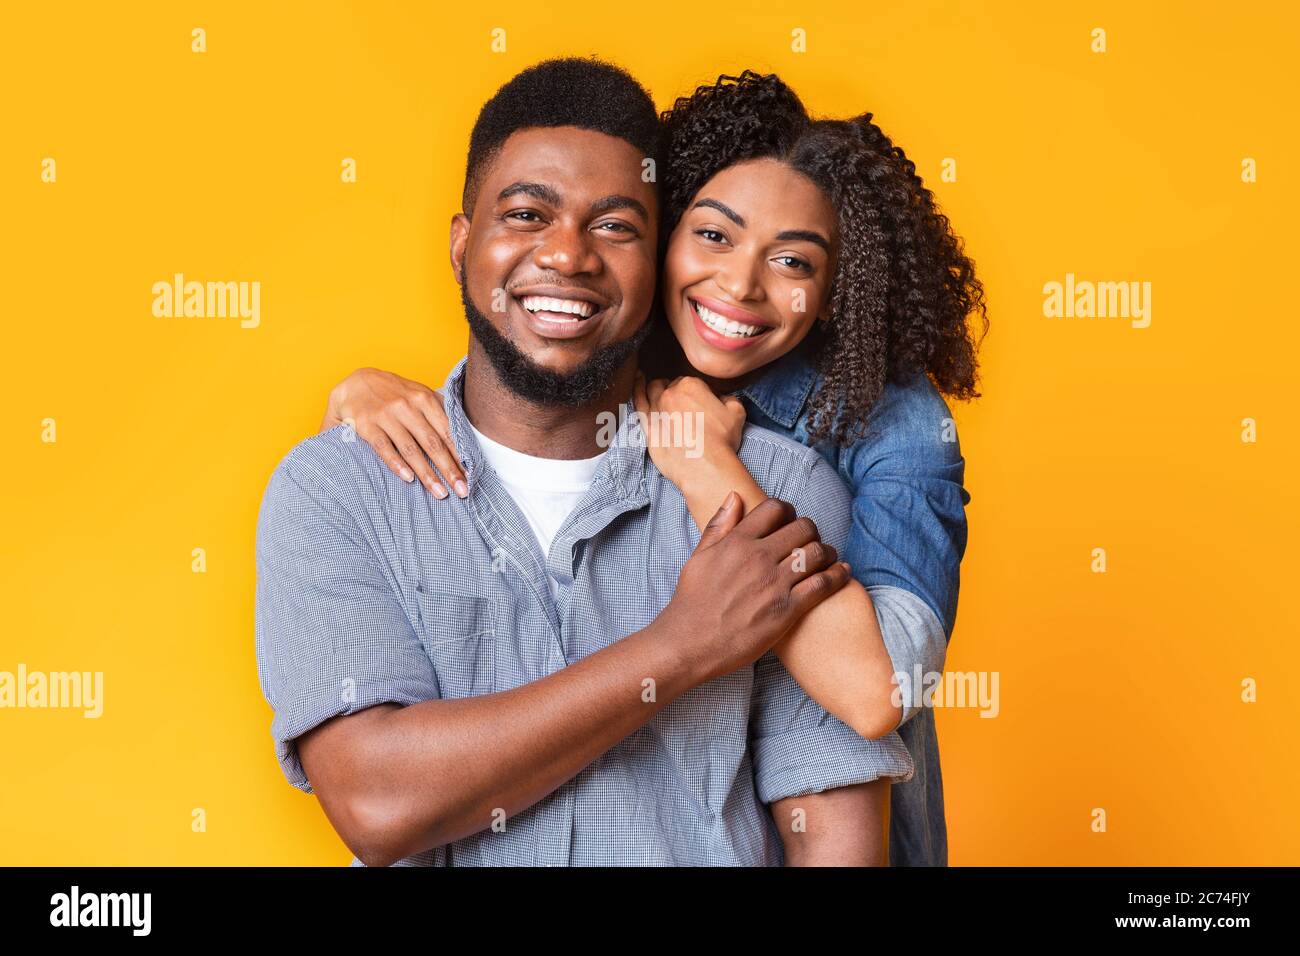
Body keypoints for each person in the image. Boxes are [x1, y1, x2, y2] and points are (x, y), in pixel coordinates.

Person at [255, 57, 914, 867]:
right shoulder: (339, 490)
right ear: (464, 245)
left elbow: (834, 839)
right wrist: (682, 646)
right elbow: (377, 799)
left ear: (660, 259)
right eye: (527, 213)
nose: (568, 256)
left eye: (615, 225)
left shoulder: (775, 491)